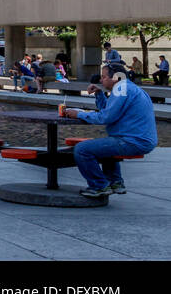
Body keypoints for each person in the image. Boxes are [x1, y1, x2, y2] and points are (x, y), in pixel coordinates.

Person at [62, 62, 157, 198]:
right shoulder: (127, 88)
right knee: (105, 145)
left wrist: (79, 114)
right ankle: (115, 183)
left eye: (104, 77)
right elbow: (109, 111)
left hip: (133, 141)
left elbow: (105, 117)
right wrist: (99, 94)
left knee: (82, 149)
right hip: (139, 140)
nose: (101, 80)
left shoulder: (121, 89)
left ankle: (99, 186)